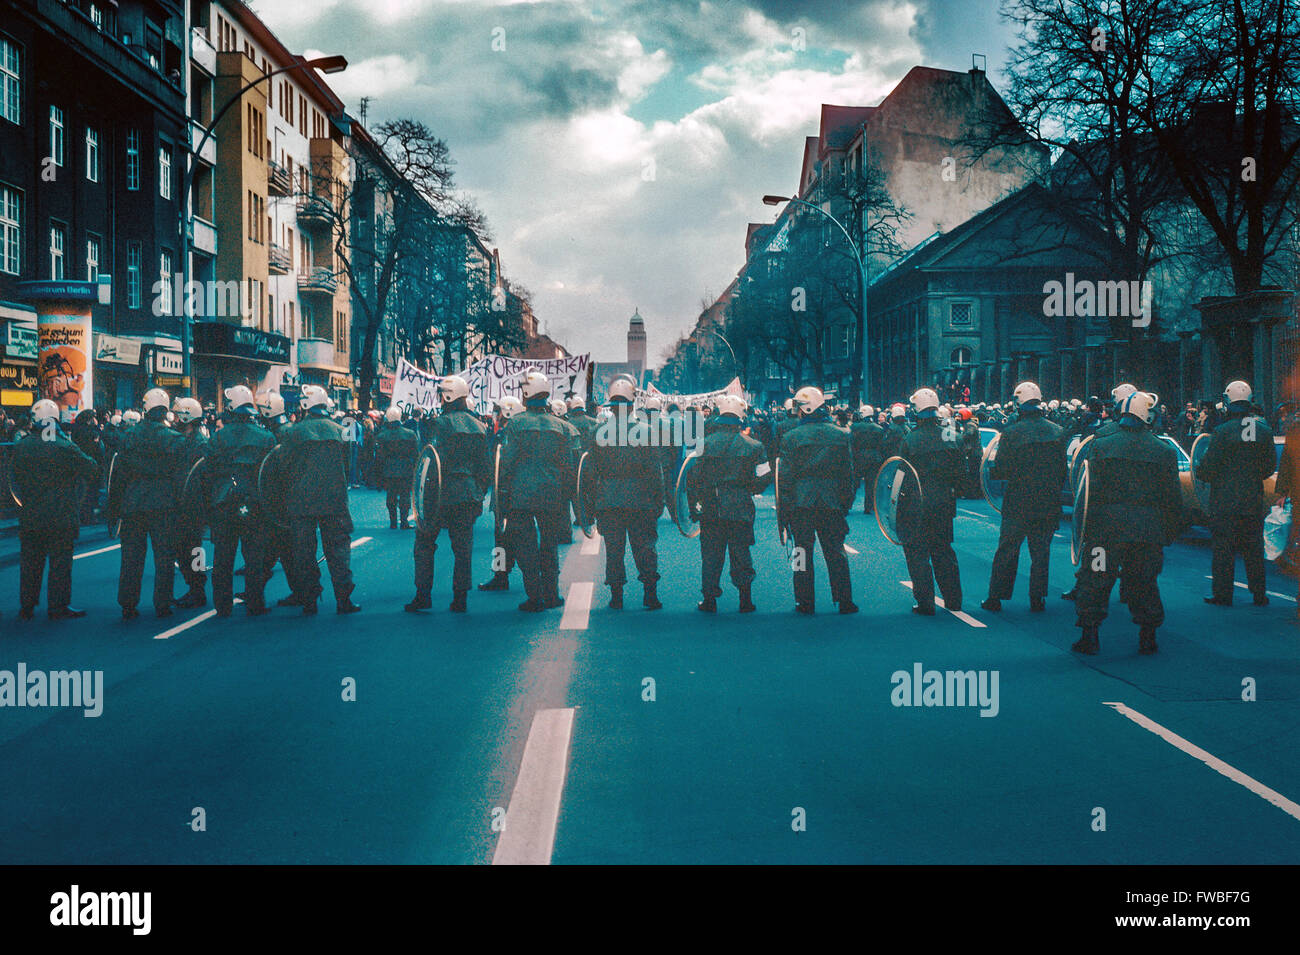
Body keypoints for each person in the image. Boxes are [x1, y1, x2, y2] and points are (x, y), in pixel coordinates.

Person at [1072, 391, 1184, 655]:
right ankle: (1148, 635)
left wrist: (1086, 529)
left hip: (1105, 531)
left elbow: (1089, 489)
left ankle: (1090, 635)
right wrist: (1167, 532)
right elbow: (1172, 499)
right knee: (1144, 582)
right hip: (1146, 531)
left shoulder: (1102, 445)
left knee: (1096, 580)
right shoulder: (1163, 451)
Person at [406, 376, 490, 614]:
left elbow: (430, 461)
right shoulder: (479, 426)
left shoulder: (439, 425)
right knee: (463, 548)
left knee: (424, 543)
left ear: (447, 397)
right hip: (467, 495)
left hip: (440, 493)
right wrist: (478, 492)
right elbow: (485, 468)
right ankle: (460, 597)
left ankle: (423, 595)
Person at [498, 372, 580, 612]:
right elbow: (569, 468)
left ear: (525, 394)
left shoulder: (515, 424)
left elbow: (506, 463)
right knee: (549, 545)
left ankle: (535, 596)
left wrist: (502, 492)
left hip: (520, 495)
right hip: (552, 494)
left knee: (525, 547)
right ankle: (552, 594)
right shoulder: (563, 428)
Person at [980, 382, 1066, 613]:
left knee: (1007, 550)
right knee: (1041, 553)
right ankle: (1037, 599)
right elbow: (1062, 472)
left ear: (1019, 405)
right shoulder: (1058, 432)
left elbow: (1000, 470)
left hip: (1018, 501)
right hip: (1048, 501)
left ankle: (996, 598)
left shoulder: (1011, 433)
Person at [276, 384, 360, 616]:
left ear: (304, 405)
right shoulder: (340, 431)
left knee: (303, 553)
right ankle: (344, 600)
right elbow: (348, 466)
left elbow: (283, 467)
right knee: (339, 551)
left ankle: (309, 600)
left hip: (301, 502)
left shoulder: (292, 433)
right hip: (334, 500)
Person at [12, 400, 98, 619]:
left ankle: (27, 605)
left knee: (30, 562)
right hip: (61, 514)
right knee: (60, 563)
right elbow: (90, 468)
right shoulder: (63, 446)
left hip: (31, 514)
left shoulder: (22, 446)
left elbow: (13, 478)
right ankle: (57, 606)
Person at [686, 394, 770, 612]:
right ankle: (745, 599)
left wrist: (694, 507)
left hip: (711, 505)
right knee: (741, 551)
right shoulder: (755, 446)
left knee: (711, 555)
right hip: (740, 504)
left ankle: (710, 599)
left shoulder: (704, 445)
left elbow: (692, 478)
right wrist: (750, 488)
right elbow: (765, 477)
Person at [778, 386, 857, 614]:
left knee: (800, 554)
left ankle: (804, 601)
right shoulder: (841, 435)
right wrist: (845, 503)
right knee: (836, 553)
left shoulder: (790, 437)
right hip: (831, 502)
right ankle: (845, 600)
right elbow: (848, 475)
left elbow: (784, 479)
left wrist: (785, 511)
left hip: (801, 504)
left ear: (806, 409)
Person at [587, 378, 664, 610]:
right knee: (645, 548)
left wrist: (590, 507)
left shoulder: (598, 432)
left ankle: (616, 596)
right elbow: (655, 472)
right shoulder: (646, 431)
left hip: (608, 500)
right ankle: (650, 594)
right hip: (640, 500)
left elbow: (590, 473)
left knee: (613, 550)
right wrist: (658, 502)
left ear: (611, 406)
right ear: (632, 405)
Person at [1199, 380, 1276, 607]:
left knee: (1224, 549)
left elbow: (1208, 467)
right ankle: (1259, 593)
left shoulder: (1222, 432)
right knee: (1254, 550)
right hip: (1252, 500)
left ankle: (1223, 594)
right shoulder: (1263, 430)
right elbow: (1269, 466)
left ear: (1228, 402)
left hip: (1224, 503)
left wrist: (1205, 475)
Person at [114, 388, 189, 619]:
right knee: (164, 556)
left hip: (133, 500)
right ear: (165, 411)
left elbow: (118, 474)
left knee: (131, 556)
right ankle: (162, 604)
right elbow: (181, 476)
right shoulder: (175, 439)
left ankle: (128, 604)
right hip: (163, 502)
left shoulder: (129, 437)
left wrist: (115, 506)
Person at [204, 386, 276, 617]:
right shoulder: (265, 437)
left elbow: (207, 473)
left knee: (223, 556)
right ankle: (255, 602)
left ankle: (222, 606)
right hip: (254, 500)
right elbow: (272, 474)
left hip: (223, 501)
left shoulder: (217, 438)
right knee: (254, 555)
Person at [897, 387, 964, 615]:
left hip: (917, 505)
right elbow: (961, 471)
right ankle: (954, 599)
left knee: (918, 554)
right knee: (943, 551)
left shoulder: (910, 439)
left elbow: (902, 476)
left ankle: (925, 602)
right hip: (944, 503)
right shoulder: (950, 434)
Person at [478, 396, 524, 592]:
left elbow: (496, 464)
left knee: (504, 537)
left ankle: (501, 576)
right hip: (518, 493)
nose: (495, 416)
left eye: (498, 412)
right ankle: (517, 576)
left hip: (506, 492)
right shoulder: (520, 432)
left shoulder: (505, 435)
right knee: (515, 537)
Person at [171, 396, 209, 609]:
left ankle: (198, 589)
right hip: (181, 501)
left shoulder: (199, 444)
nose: (175, 419)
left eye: (178, 415)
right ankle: (194, 587)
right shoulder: (183, 440)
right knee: (184, 549)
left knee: (194, 548)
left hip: (193, 504)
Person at [375, 405, 418, 529]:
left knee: (391, 495)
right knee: (405, 496)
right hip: (405, 468)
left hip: (388, 469)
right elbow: (416, 454)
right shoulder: (410, 434)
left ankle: (393, 521)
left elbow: (378, 458)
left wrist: (377, 475)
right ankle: (404, 521)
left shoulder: (382, 436)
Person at [849, 405, 884, 514]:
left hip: (858, 457)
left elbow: (851, 443)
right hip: (874, 458)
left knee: (854, 483)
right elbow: (881, 445)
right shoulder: (879, 429)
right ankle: (868, 507)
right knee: (871, 483)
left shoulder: (854, 427)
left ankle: (848, 504)